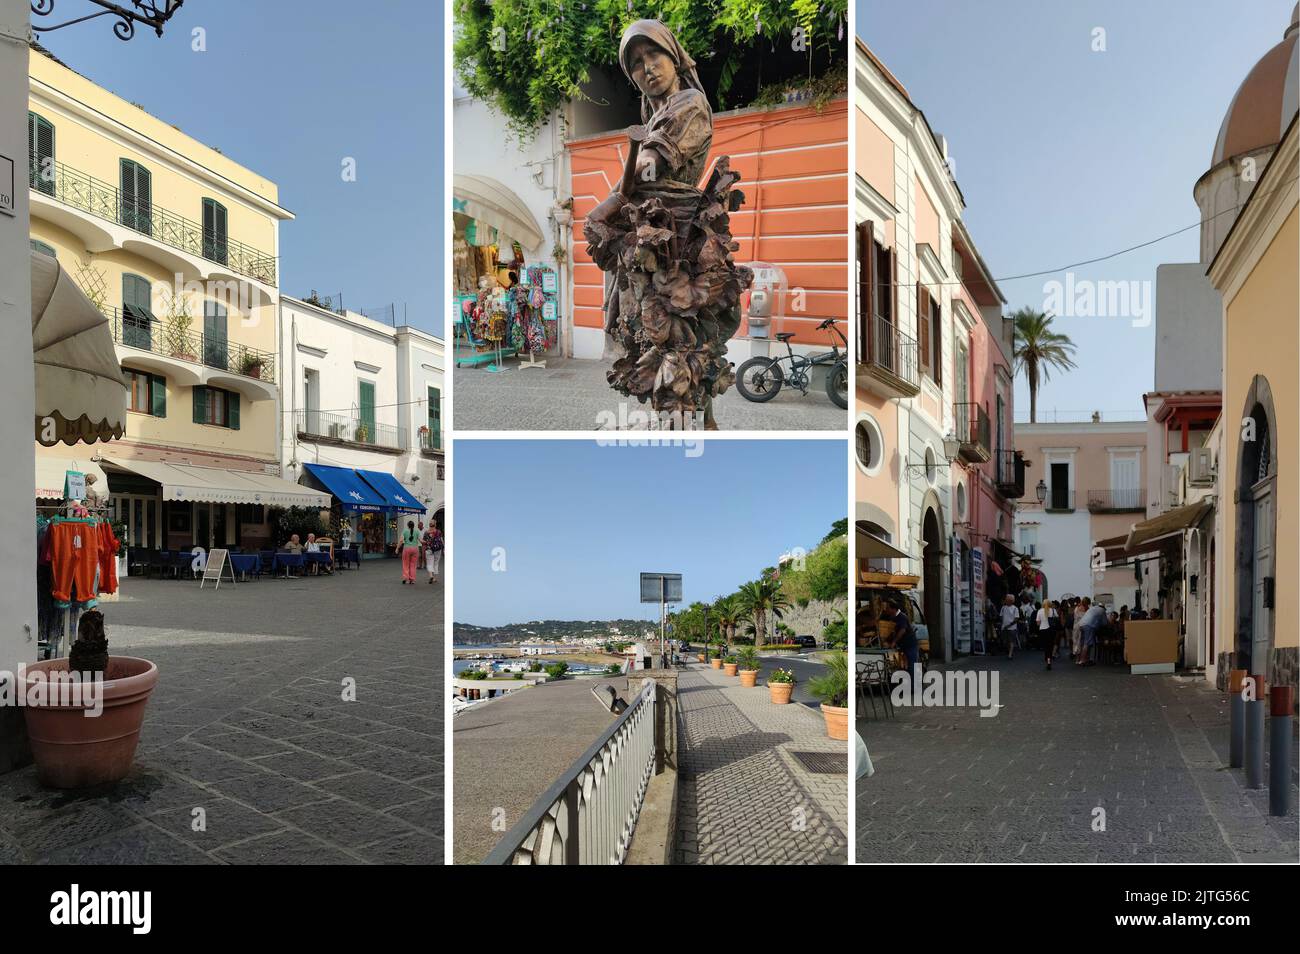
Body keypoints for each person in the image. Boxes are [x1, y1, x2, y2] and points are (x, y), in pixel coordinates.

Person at [882, 599, 919, 684]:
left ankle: (913, 688)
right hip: (903, 646)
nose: (886, 610)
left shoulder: (902, 617)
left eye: (888, 608)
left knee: (911, 666)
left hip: (910, 645)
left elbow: (902, 630)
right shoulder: (893, 617)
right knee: (904, 666)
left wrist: (894, 642)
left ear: (893, 609)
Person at [1036, 599, 1060, 669]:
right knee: (1050, 645)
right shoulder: (1053, 610)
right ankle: (1049, 659)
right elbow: (1057, 619)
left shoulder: (1040, 611)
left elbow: (1038, 623)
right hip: (1051, 630)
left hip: (1043, 630)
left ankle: (1047, 658)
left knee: (1046, 646)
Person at [999, 594, 1021, 659]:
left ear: (1011, 601)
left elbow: (1016, 618)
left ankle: (1010, 655)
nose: (1005, 600)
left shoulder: (1015, 608)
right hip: (1004, 627)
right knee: (1005, 641)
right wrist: (1003, 623)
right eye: (1006, 599)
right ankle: (1009, 651)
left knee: (1011, 641)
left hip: (1012, 628)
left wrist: (1009, 625)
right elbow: (1001, 616)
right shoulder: (1003, 608)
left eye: (1007, 599)